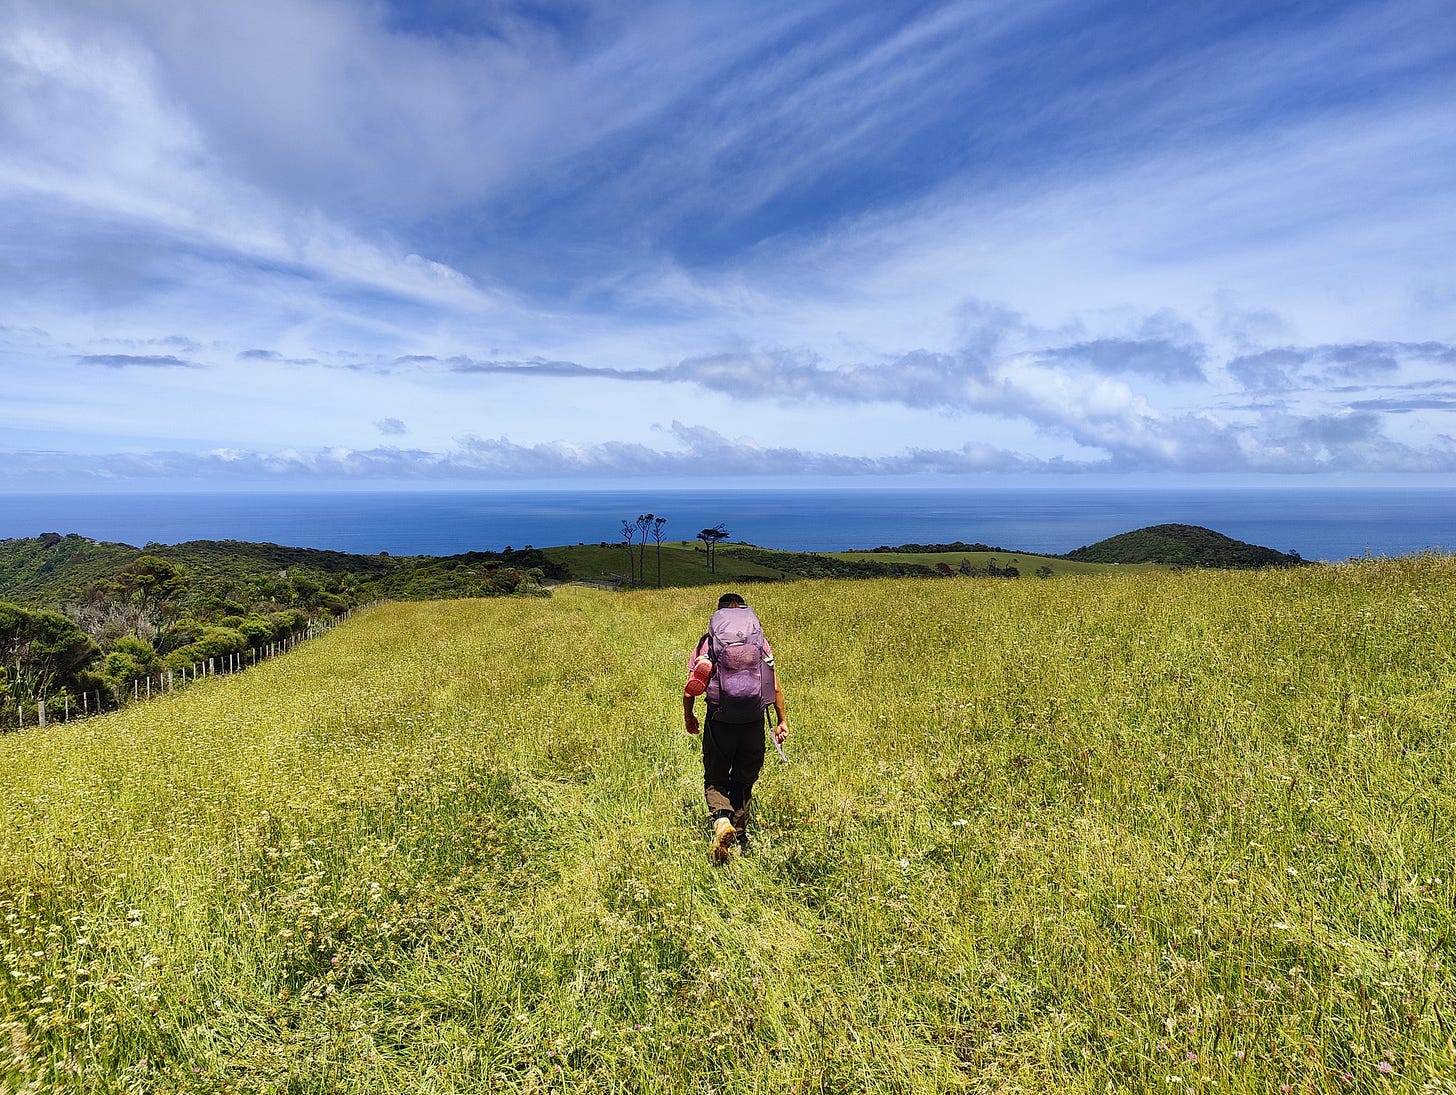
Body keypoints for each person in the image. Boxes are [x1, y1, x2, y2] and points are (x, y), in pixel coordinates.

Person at [683, 592, 788, 862]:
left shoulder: (708, 642)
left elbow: (690, 689)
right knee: (743, 781)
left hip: (720, 720)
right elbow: (774, 686)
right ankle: (739, 840)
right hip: (753, 720)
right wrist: (781, 721)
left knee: (716, 778)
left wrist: (689, 716)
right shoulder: (759, 641)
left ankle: (721, 821)